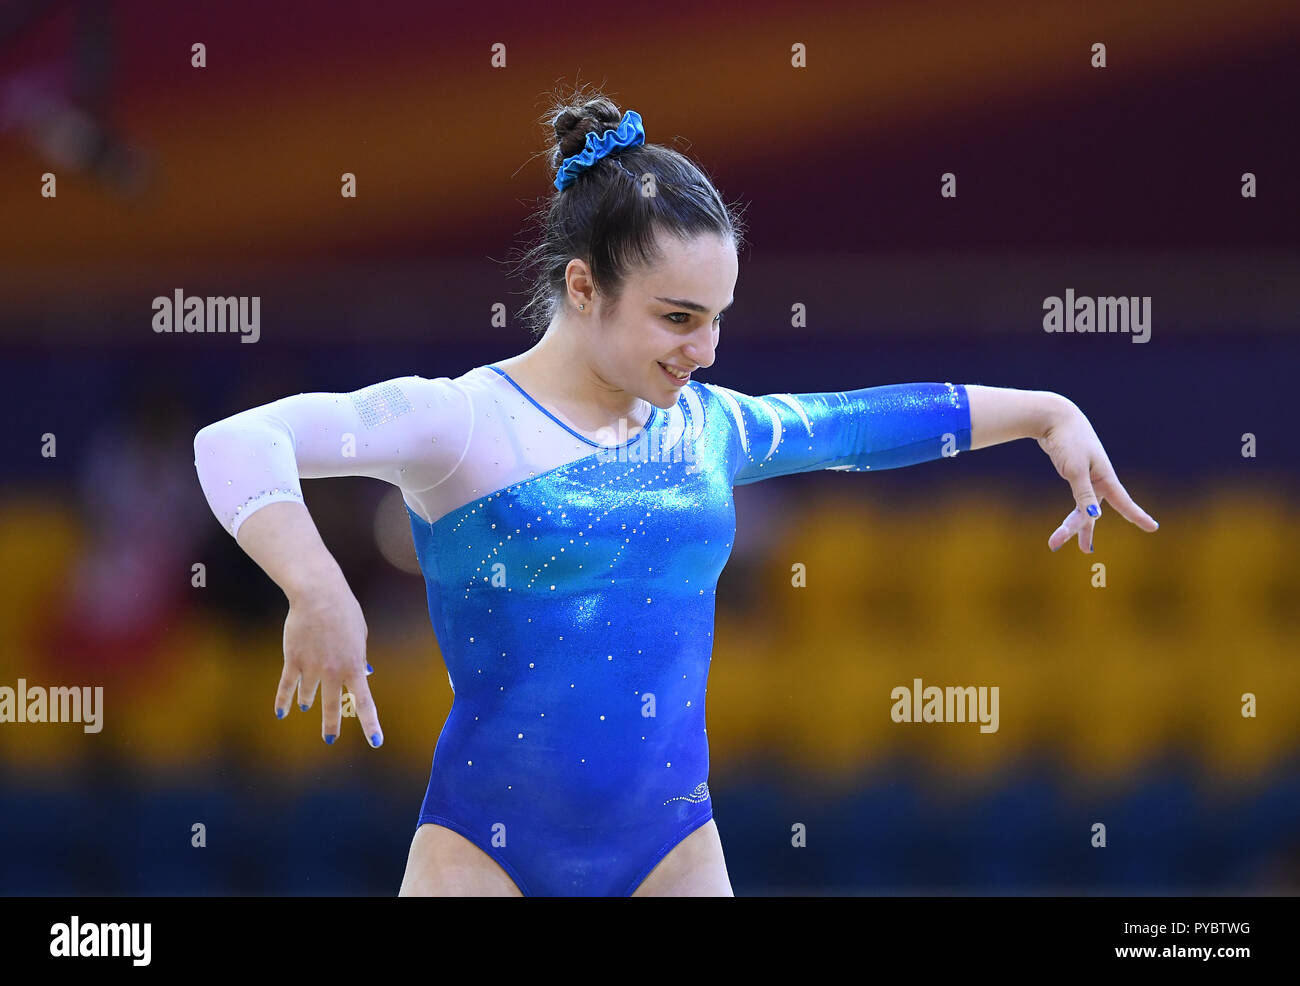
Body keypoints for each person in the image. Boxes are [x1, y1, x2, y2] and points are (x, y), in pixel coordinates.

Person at [193, 91, 1159, 897]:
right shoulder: (461, 424)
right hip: (485, 854)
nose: (704, 352)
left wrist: (1044, 410)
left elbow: (856, 423)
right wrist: (316, 588)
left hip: (673, 853)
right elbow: (238, 440)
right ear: (583, 287)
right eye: (678, 319)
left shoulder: (709, 426)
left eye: (717, 321)